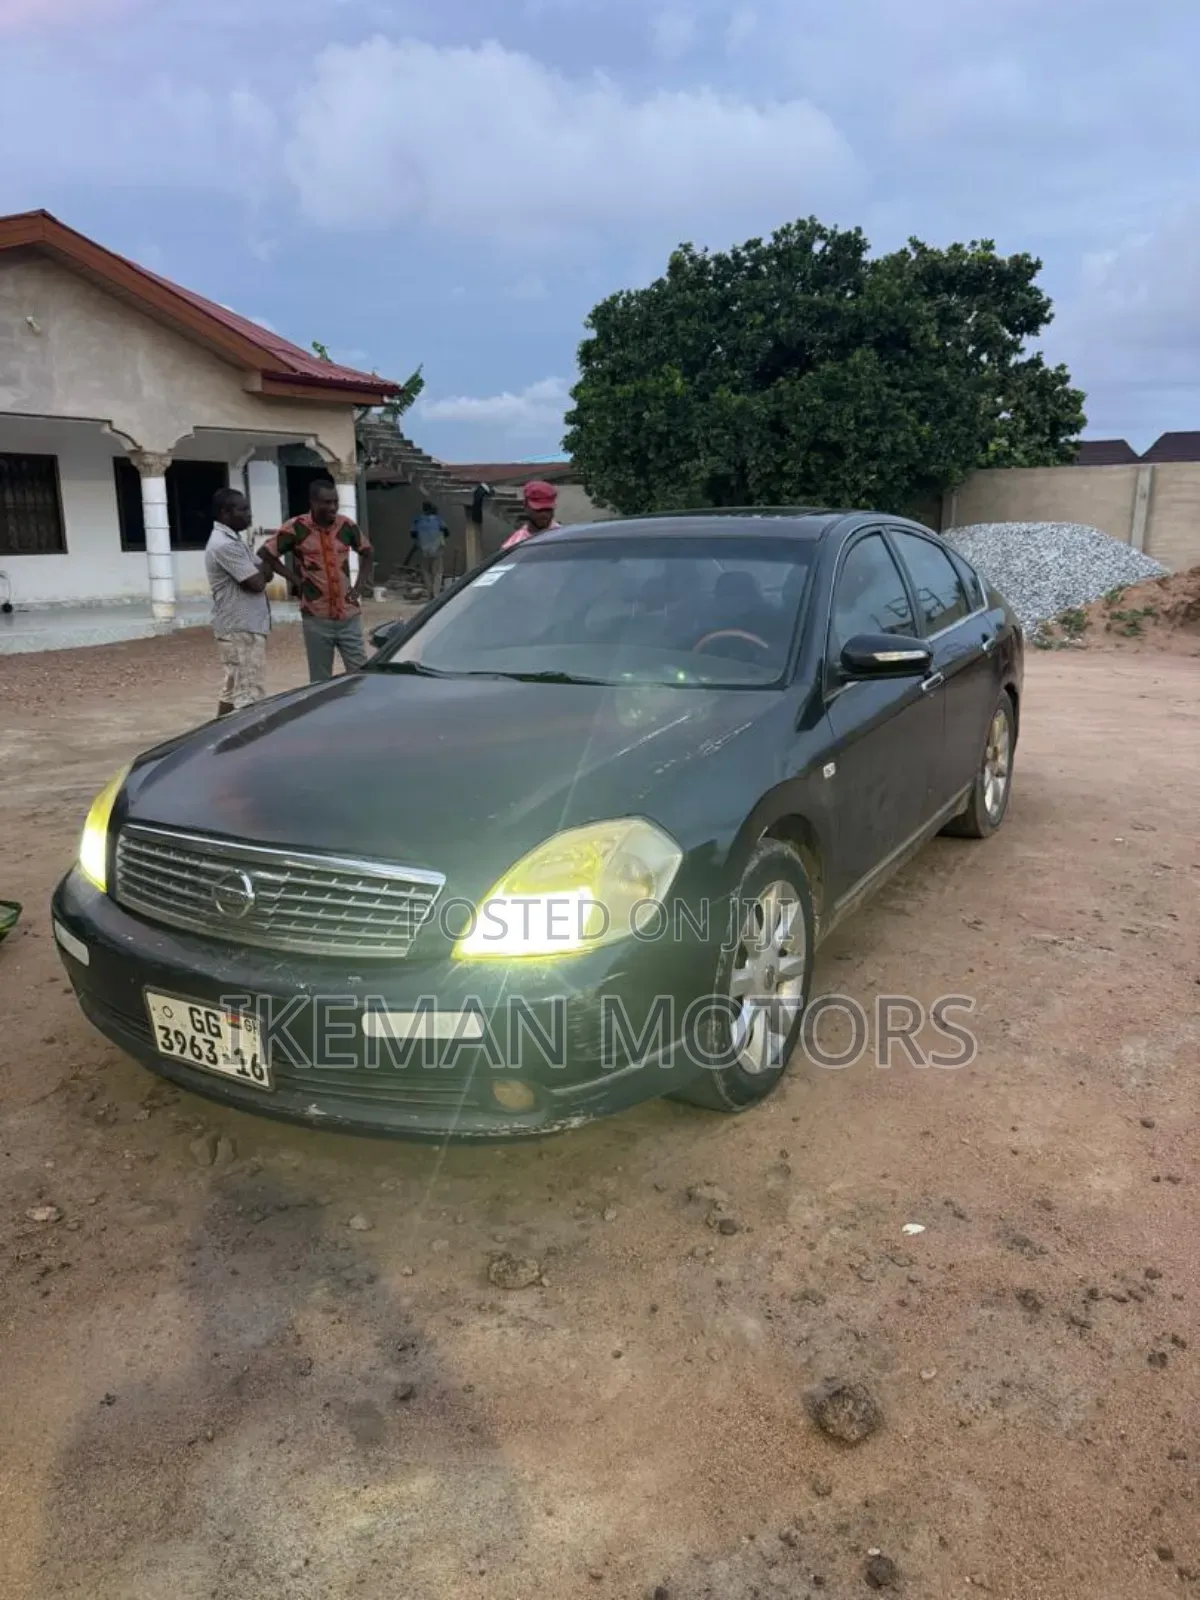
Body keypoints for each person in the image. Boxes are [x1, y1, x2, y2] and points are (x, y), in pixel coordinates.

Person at [262, 480, 374, 683]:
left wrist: (358, 587)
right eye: (326, 502)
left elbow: (368, 552)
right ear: (313, 502)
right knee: (320, 682)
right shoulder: (296, 528)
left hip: (349, 616)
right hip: (316, 617)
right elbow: (266, 552)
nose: (332, 507)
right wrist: (294, 580)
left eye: (335, 502)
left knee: (360, 676)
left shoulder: (346, 526)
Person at [204, 487, 273, 719]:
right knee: (249, 693)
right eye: (242, 509)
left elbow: (264, 572)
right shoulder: (225, 545)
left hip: (241, 625)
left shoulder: (234, 540)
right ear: (225, 512)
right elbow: (256, 583)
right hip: (241, 626)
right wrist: (262, 570)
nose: (249, 515)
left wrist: (262, 570)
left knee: (233, 689)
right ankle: (247, 747)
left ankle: (215, 739)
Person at [501, 480, 561, 551]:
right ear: (526, 506)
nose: (544, 514)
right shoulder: (514, 546)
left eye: (548, 509)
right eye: (538, 509)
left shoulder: (564, 539)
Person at [411, 500, 449, 597]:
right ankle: (436, 594)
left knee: (425, 571)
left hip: (424, 549)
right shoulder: (438, 519)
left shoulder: (418, 520)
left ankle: (430, 592)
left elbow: (413, 534)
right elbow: (447, 532)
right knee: (438, 572)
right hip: (437, 549)